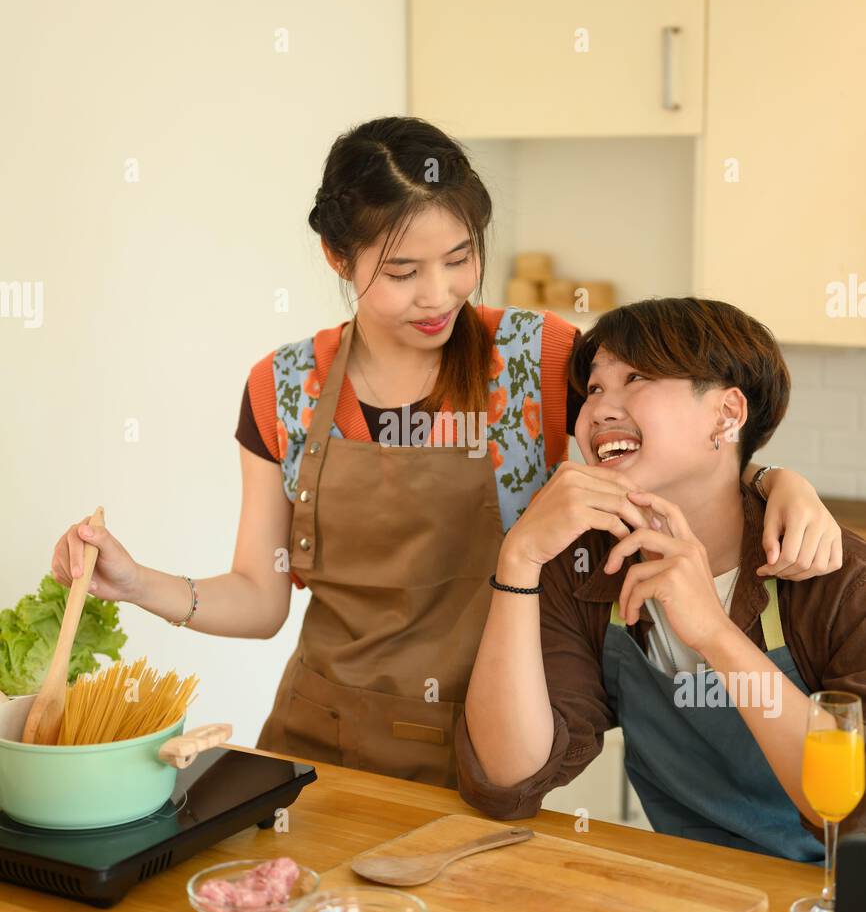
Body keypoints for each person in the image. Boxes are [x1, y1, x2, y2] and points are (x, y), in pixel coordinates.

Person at [51, 122, 843, 790]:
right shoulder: (283, 388)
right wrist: (139, 584)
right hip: (314, 741)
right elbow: (261, 599)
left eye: (460, 257)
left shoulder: (542, 358)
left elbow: (661, 445)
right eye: (402, 272)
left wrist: (776, 480)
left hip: (486, 748)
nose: (439, 295)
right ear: (336, 256)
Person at [459, 296, 865, 861]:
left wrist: (715, 635)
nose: (599, 410)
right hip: (686, 895)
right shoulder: (582, 564)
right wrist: (519, 560)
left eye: (637, 378)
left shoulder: (836, 576)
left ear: (727, 414)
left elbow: (849, 811)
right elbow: (508, 780)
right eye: (594, 389)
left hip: (831, 904)